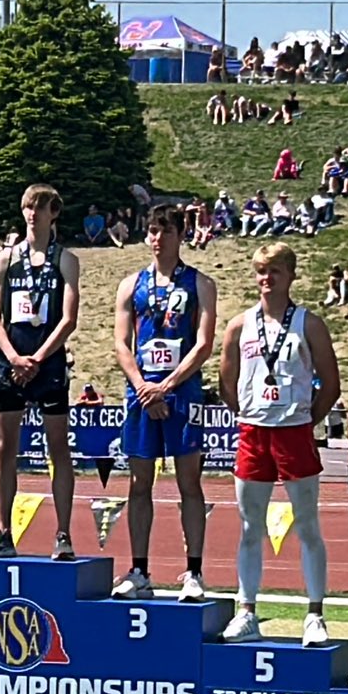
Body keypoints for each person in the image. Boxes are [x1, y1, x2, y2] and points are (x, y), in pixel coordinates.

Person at [218, 242, 339, 646]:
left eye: (274, 272)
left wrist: (304, 419)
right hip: (253, 434)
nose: (266, 280)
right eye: (261, 272)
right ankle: (247, 610)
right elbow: (226, 383)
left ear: (290, 276)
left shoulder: (309, 323)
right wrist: (251, 412)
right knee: (250, 527)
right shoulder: (239, 325)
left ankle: (315, 614)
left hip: (295, 433)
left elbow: (331, 385)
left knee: (308, 526)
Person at [111, 205, 220, 601]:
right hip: (141, 392)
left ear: (180, 235)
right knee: (139, 483)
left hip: (182, 391)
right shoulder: (131, 285)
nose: (158, 238)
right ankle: (139, 570)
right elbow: (122, 343)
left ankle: (194, 570)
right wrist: (143, 387)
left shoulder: (200, 284)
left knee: (188, 481)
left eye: (166, 231)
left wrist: (168, 387)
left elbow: (204, 343)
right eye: (153, 231)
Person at [0, 185, 82, 562]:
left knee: (58, 449)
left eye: (39, 207)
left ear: (54, 212)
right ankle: (3, 531)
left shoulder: (65, 260)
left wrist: (36, 358)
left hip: (48, 361)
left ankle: (63, 534)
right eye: (26, 206)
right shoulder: (5, 259)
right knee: (5, 448)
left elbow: (68, 318)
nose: (32, 213)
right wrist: (12, 357)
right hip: (12, 361)